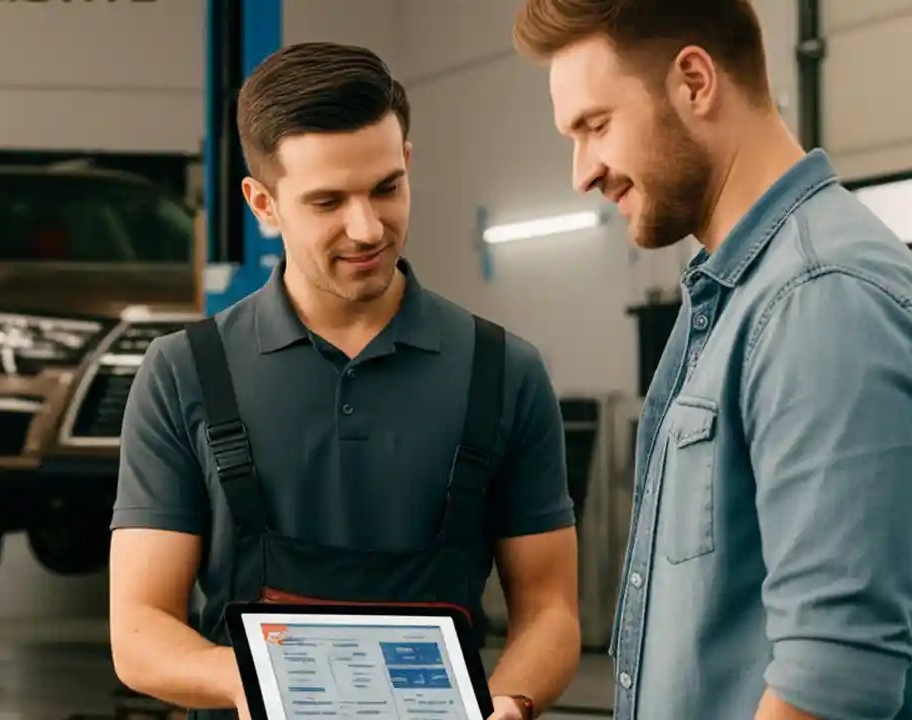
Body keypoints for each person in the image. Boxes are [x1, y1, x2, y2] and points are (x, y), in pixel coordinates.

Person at [108, 42, 581, 720]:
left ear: (409, 162)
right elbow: (138, 629)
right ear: (262, 203)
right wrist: (259, 685)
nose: (367, 228)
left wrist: (508, 701)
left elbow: (551, 609)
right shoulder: (184, 372)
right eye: (328, 201)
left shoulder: (503, 371)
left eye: (386, 188)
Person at [513, 2, 912, 719]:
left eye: (596, 126)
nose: (583, 171)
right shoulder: (734, 294)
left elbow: (832, 676)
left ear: (695, 82)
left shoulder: (818, 298)